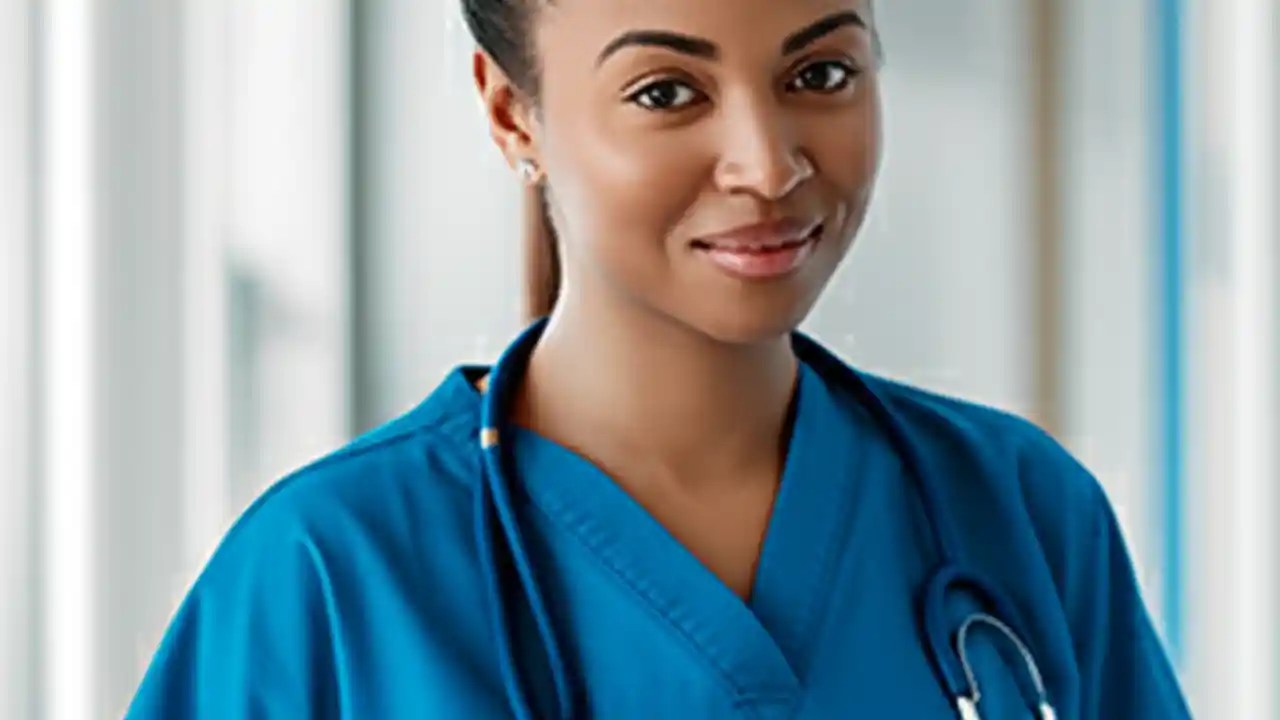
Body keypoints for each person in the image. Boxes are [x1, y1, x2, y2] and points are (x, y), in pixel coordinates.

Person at [127, 0, 1191, 717]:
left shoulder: (1020, 513)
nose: (768, 165)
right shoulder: (327, 574)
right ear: (511, 112)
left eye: (818, 72)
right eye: (665, 92)